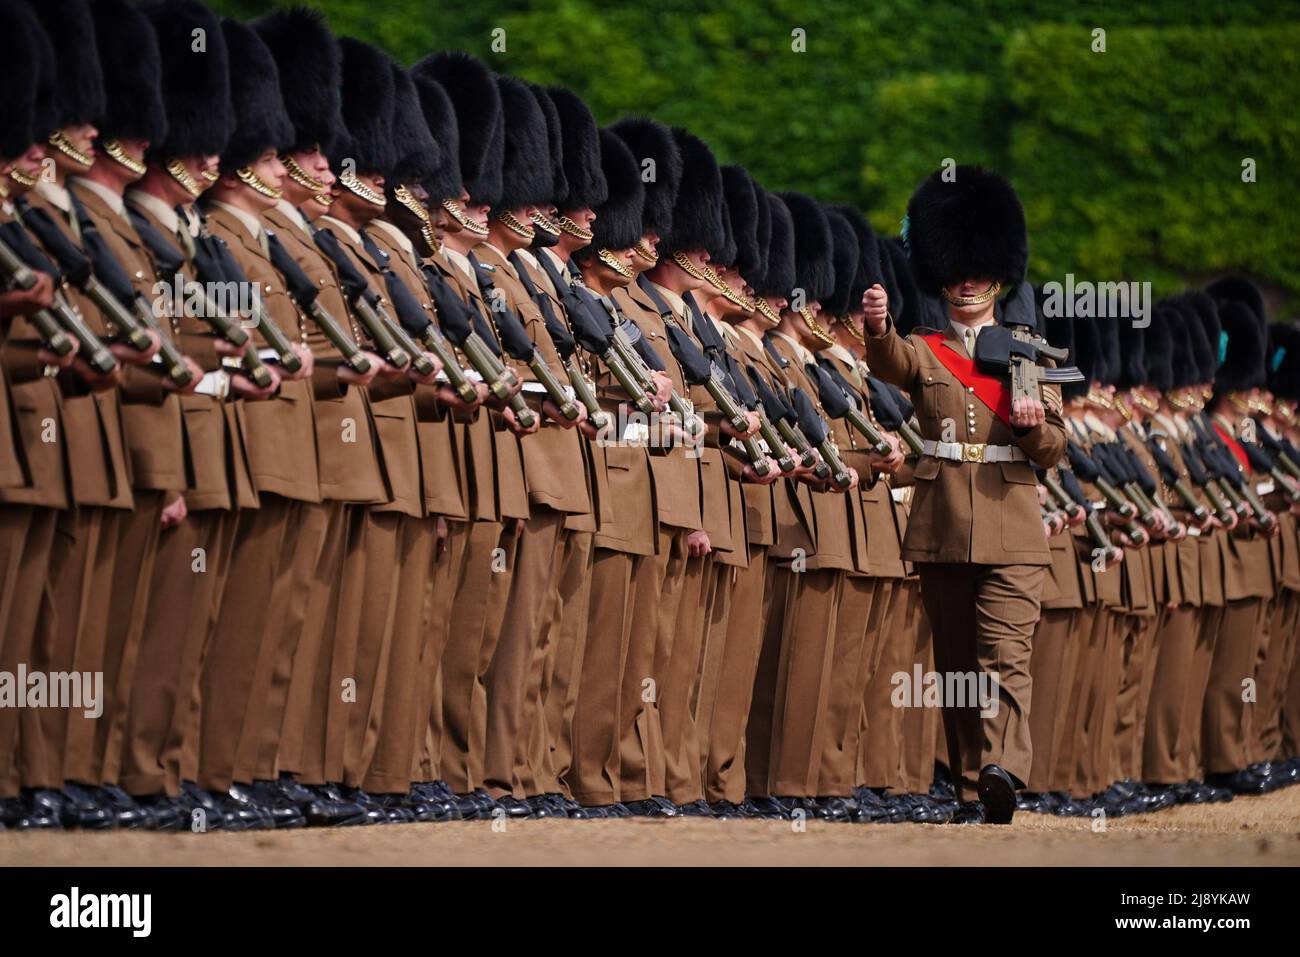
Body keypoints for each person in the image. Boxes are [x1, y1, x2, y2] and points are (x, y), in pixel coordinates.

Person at [861, 165, 1067, 823]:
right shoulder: (925, 350)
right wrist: (876, 326)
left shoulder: (1029, 356)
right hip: (944, 518)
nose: (967, 280)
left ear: (997, 275)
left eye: (977, 269)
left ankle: (1003, 766)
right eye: (956, 269)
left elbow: (1056, 448)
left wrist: (1035, 432)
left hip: (1011, 520)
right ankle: (968, 780)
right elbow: (891, 362)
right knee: (955, 663)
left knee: (1005, 653)